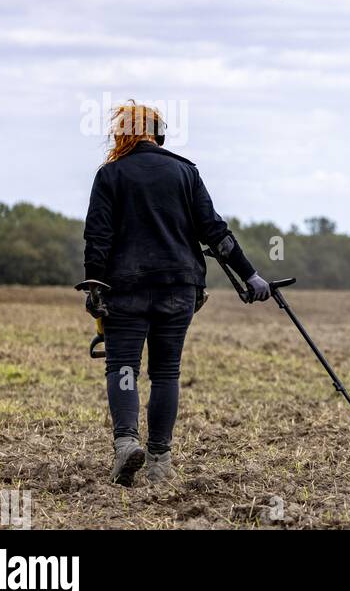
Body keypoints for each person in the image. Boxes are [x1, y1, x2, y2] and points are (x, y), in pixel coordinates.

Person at [79, 100, 270, 486]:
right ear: (160, 135)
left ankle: (126, 443)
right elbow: (215, 232)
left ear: (121, 135)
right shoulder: (186, 172)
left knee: (123, 367)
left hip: (125, 290)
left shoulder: (110, 175)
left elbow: (97, 237)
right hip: (179, 289)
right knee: (166, 372)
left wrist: (95, 284)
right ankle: (159, 461)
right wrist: (250, 275)